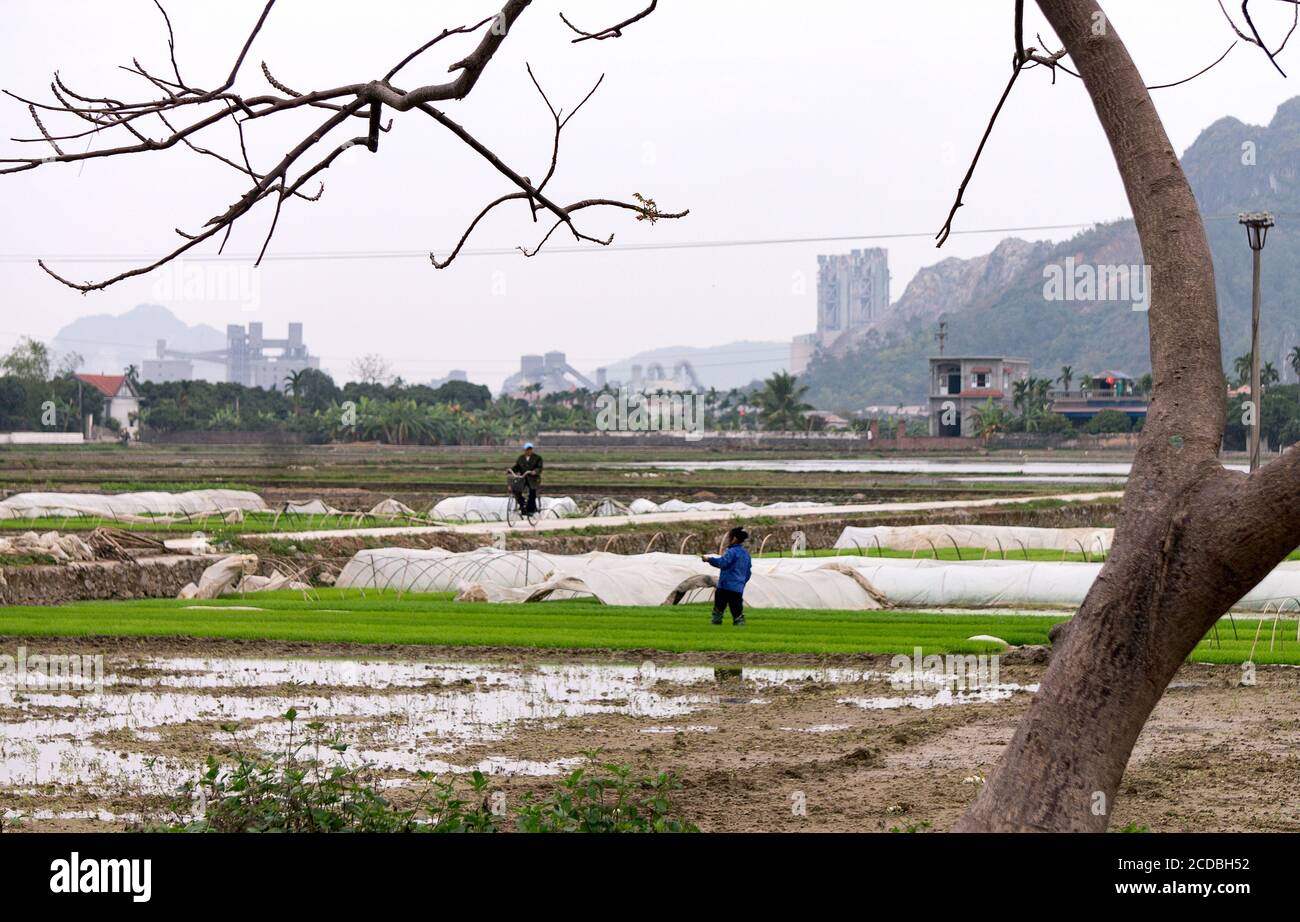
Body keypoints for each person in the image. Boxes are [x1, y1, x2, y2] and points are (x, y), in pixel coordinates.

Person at [702, 526, 752, 626]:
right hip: (738, 588)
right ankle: (740, 630)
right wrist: (741, 583)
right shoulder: (746, 554)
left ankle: (715, 628)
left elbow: (722, 563)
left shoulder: (731, 551)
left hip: (725, 586)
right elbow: (748, 572)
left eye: (730, 537)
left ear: (734, 538)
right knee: (737, 612)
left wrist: (709, 559)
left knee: (718, 610)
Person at [509, 442, 543, 515]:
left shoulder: (537, 458)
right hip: (523, 478)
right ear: (524, 450)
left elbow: (539, 468)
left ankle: (531, 510)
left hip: (533, 479)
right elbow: (517, 467)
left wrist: (535, 472)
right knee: (515, 489)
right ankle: (523, 504)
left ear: (532, 450)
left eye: (530, 449)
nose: (529, 451)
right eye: (527, 449)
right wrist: (510, 470)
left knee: (532, 493)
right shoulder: (521, 458)